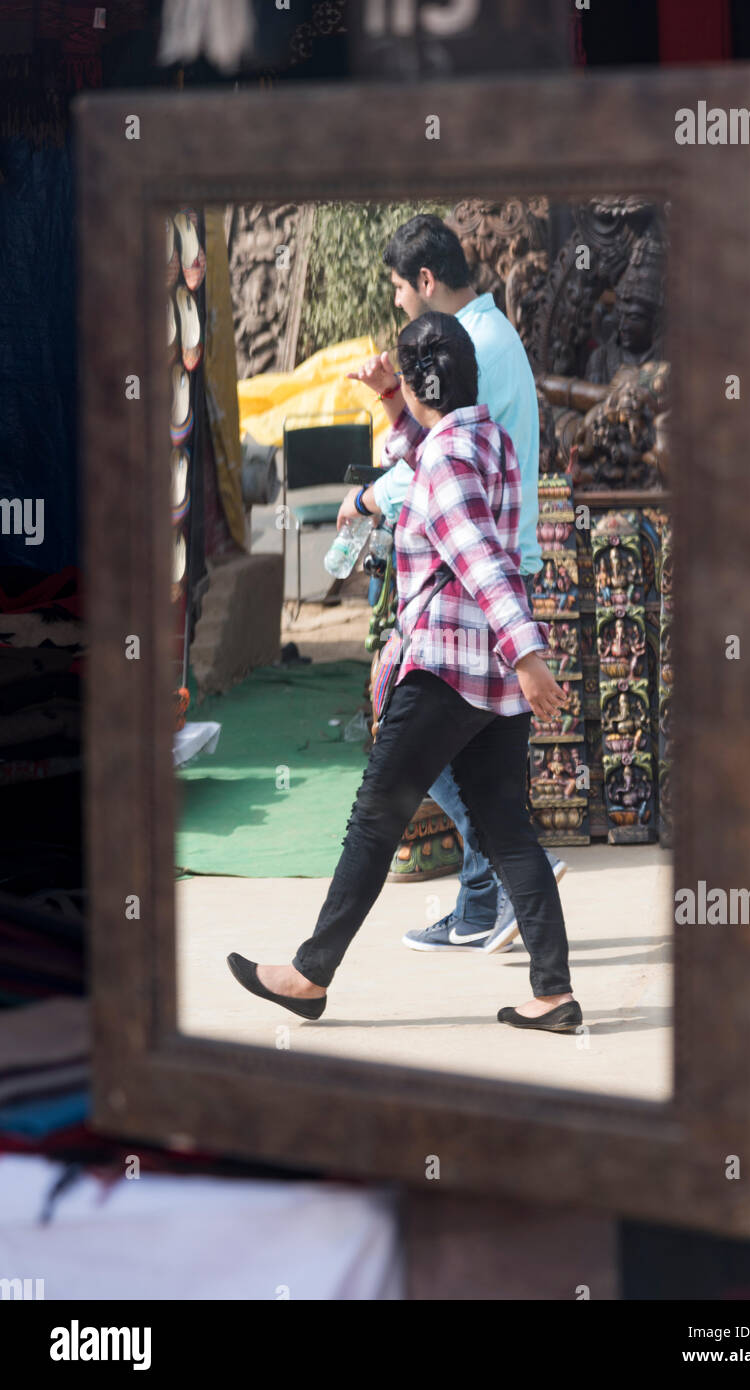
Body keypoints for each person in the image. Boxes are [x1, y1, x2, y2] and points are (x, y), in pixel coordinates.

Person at [228, 312, 582, 1035]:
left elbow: (478, 555)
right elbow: (422, 463)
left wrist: (530, 653)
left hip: (448, 664)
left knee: (374, 817)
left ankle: (309, 973)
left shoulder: (448, 458)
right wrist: (394, 402)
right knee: (506, 827)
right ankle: (553, 993)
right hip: (489, 680)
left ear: (427, 382)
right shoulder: (485, 438)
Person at [338, 213, 564, 957]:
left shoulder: (465, 345)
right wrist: (392, 410)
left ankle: (319, 964)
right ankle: (493, 906)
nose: (402, 305)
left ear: (425, 281)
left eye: (401, 291)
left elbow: (448, 485)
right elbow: (444, 449)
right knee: (489, 790)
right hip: (477, 591)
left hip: (465, 596)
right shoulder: (483, 341)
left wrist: (372, 496)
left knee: (400, 768)